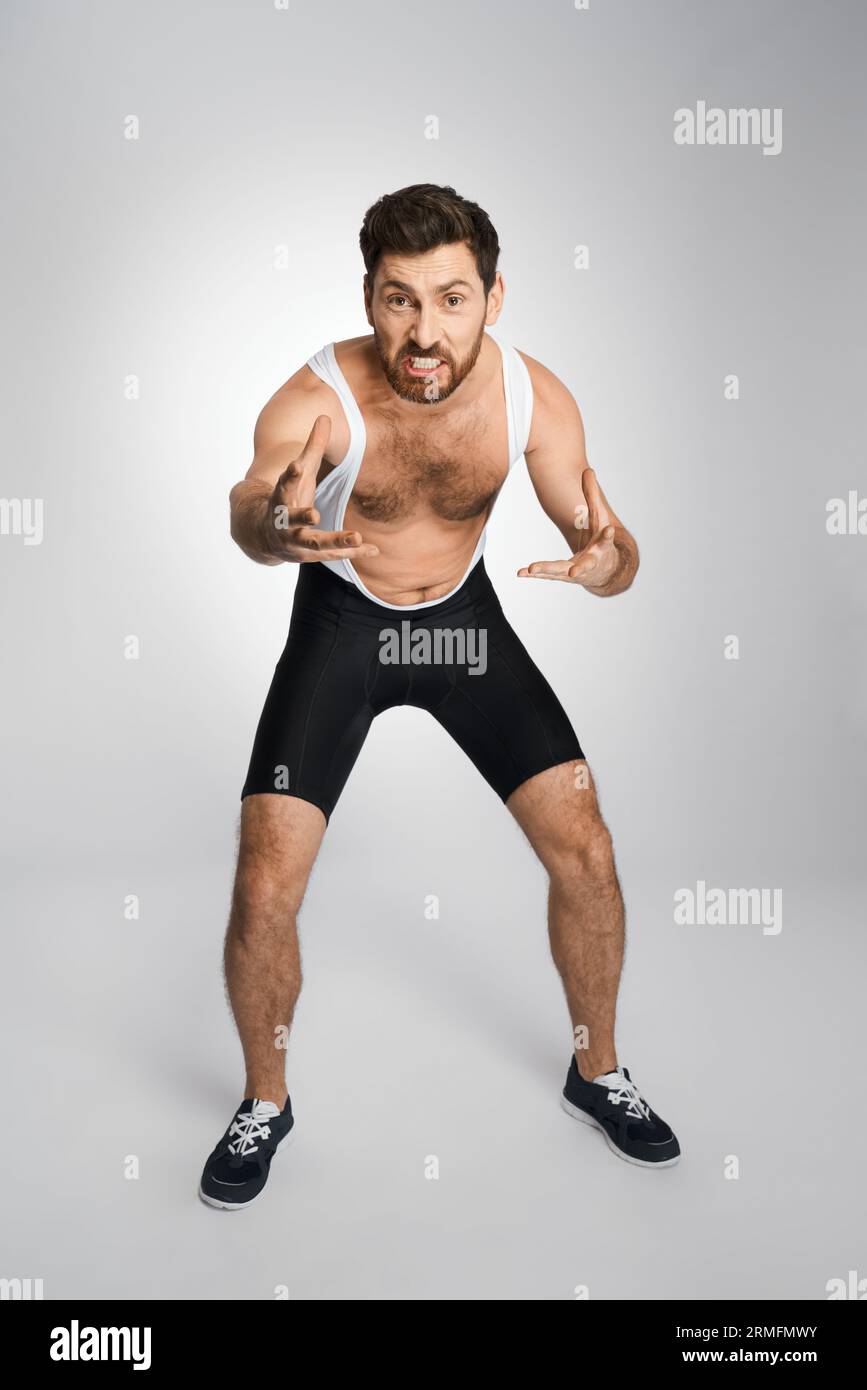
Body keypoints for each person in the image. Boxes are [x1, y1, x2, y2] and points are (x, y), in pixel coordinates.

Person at [198, 184, 680, 1210]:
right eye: (399, 299)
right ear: (370, 300)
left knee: (586, 846)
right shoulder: (320, 396)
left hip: (465, 629)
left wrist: (609, 563)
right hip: (344, 630)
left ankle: (597, 1071)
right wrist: (275, 528)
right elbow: (253, 502)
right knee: (263, 883)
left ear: (494, 299)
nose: (424, 331)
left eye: (451, 298)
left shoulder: (533, 397)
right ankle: (265, 1102)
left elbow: (606, 536)